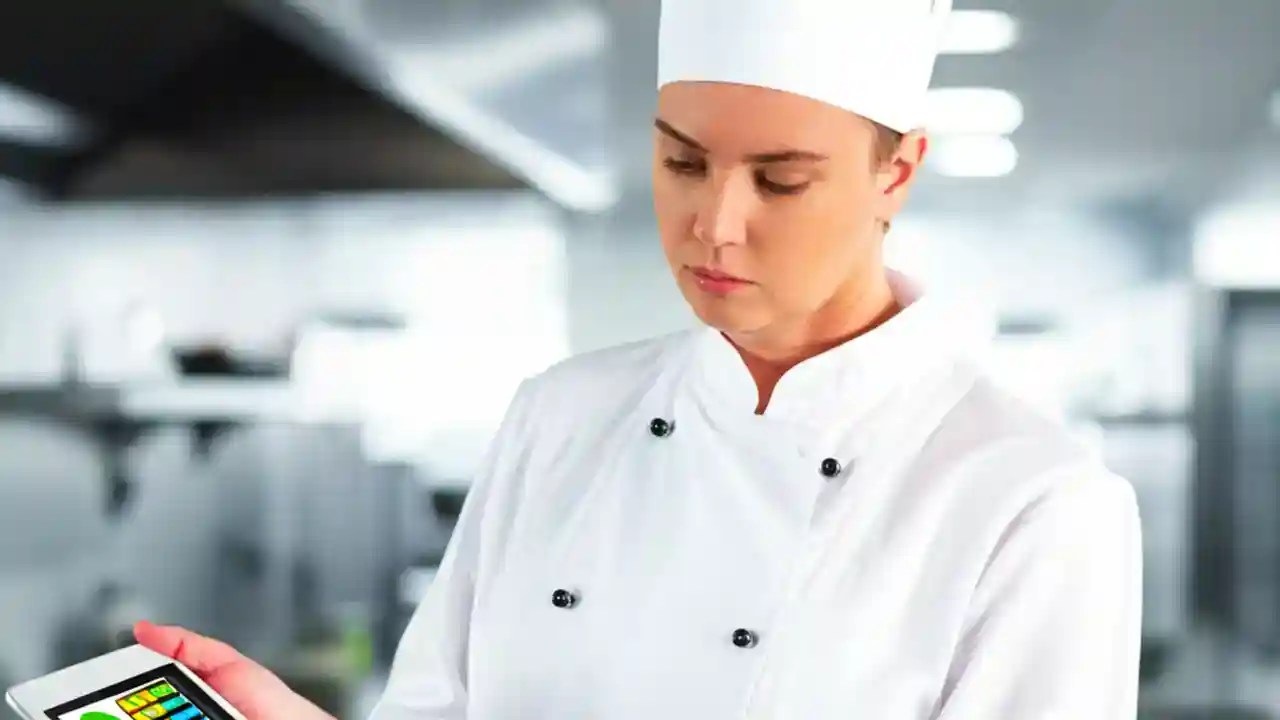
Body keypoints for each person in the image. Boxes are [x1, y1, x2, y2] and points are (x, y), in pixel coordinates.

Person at [136, 0, 1143, 717]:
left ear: (897, 171)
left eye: (780, 180)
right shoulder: (561, 414)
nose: (714, 224)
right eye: (681, 162)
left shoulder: (1030, 499)